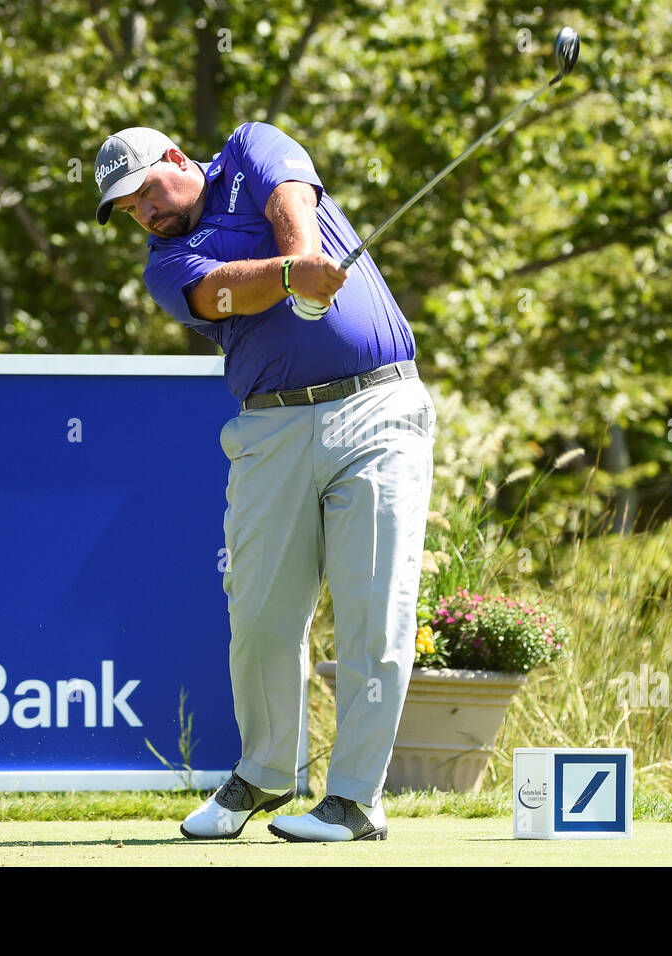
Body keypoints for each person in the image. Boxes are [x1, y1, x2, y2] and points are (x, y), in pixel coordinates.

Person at [93, 122, 436, 842]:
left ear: (178, 160)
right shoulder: (167, 261)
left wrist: (303, 258)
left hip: (377, 408)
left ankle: (354, 799)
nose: (147, 214)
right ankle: (266, 773)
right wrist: (290, 280)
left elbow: (290, 193)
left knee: (376, 608)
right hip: (271, 430)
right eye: (130, 211)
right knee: (258, 617)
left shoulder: (251, 146)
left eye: (147, 191)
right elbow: (218, 293)